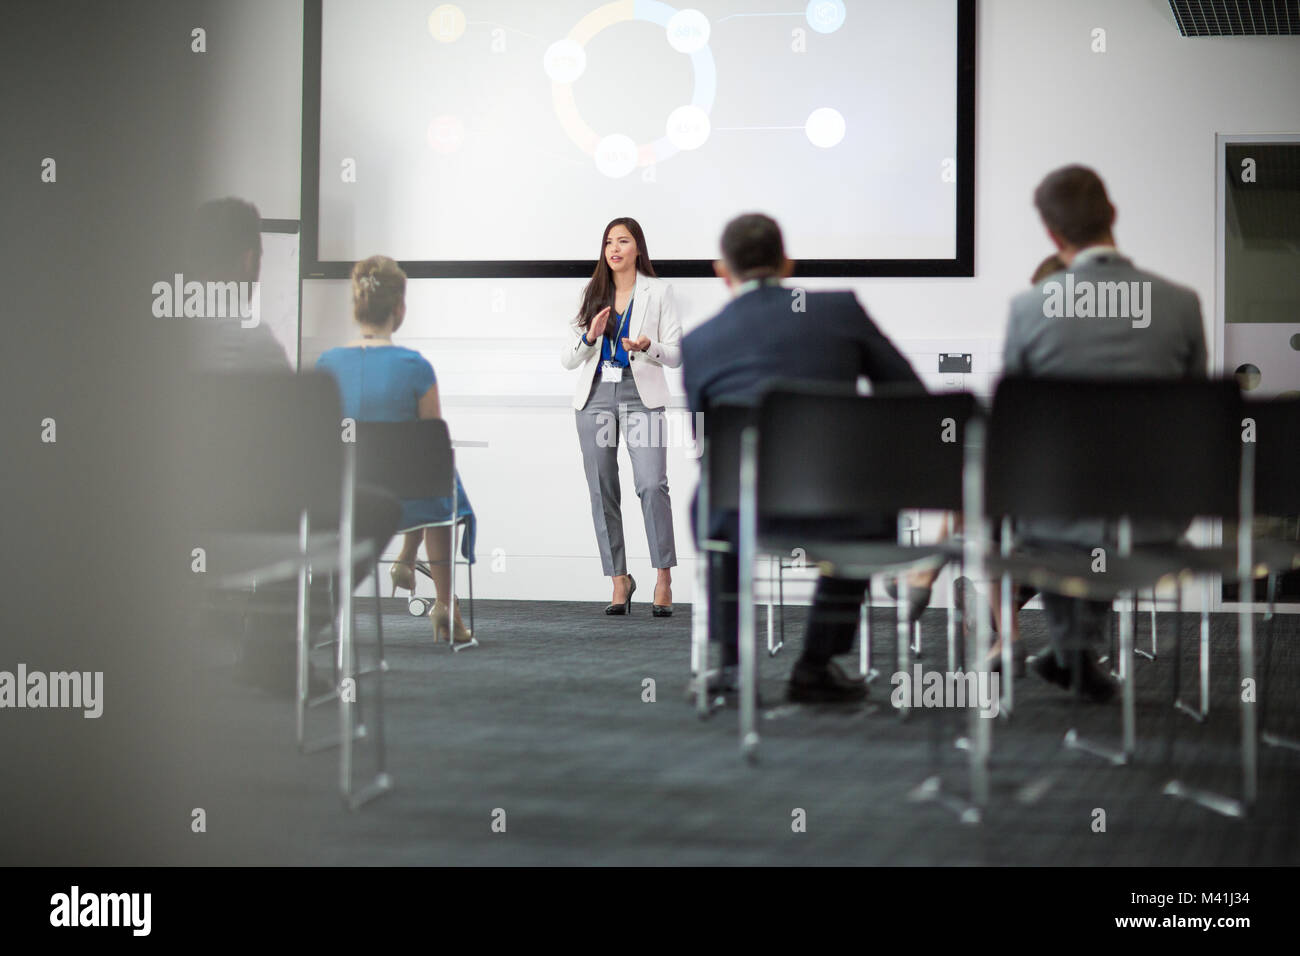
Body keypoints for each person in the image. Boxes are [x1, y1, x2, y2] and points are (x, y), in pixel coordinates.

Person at [682, 213, 923, 703]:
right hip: (842, 509)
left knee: (714, 496)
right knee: (874, 504)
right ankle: (816, 661)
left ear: (721, 271)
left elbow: (707, 447)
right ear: (787, 264)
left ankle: (731, 669)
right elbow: (909, 398)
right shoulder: (841, 311)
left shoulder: (699, 342)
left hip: (741, 512)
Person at [1002, 165, 1207, 701]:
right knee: (1112, 496)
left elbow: (1013, 428)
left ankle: (1072, 651)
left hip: (1056, 520)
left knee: (1062, 504)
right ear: (1113, 217)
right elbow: (1199, 418)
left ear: (1052, 235)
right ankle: (1073, 654)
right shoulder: (1180, 305)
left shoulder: (1029, 309)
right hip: (1154, 517)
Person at [317, 255, 477, 646]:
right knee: (437, 476)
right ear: (400, 309)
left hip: (337, 495)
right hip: (407, 495)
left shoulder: (326, 364)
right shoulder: (414, 366)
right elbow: (430, 448)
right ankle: (444, 605)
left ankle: (320, 606)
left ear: (356, 306)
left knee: (426, 472)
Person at [561, 218, 681, 616]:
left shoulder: (659, 292)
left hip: (640, 394)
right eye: (609, 242)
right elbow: (568, 358)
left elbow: (677, 354)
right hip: (595, 395)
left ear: (638, 248)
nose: (614, 249)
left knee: (651, 485)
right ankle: (619, 580)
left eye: (623, 241)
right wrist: (590, 337)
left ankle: (663, 577)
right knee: (602, 488)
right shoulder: (591, 292)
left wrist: (650, 346)